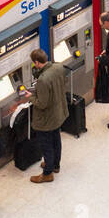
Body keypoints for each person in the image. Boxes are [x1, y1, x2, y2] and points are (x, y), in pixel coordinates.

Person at [25, 48, 68, 183]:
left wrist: (30, 97)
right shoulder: (58, 67)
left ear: (37, 63)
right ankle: (55, 164)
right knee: (56, 139)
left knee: (47, 145)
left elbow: (42, 104)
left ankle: (47, 173)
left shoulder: (43, 79)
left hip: (47, 118)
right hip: (58, 112)